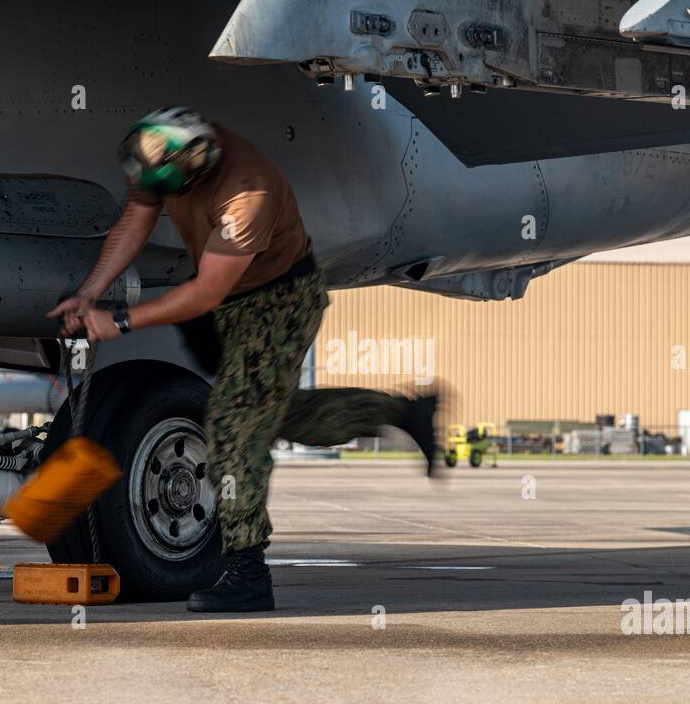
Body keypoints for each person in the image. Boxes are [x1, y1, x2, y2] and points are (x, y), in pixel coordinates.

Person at [48, 106, 438, 614]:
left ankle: (248, 573)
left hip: (278, 304)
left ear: (196, 166)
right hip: (231, 304)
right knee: (277, 414)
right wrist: (89, 294)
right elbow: (135, 222)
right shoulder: (162, 152)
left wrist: (119, 321)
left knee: (232, 428)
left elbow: (206, 292)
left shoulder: (248, 195)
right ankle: (403, 412)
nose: (156, 195)